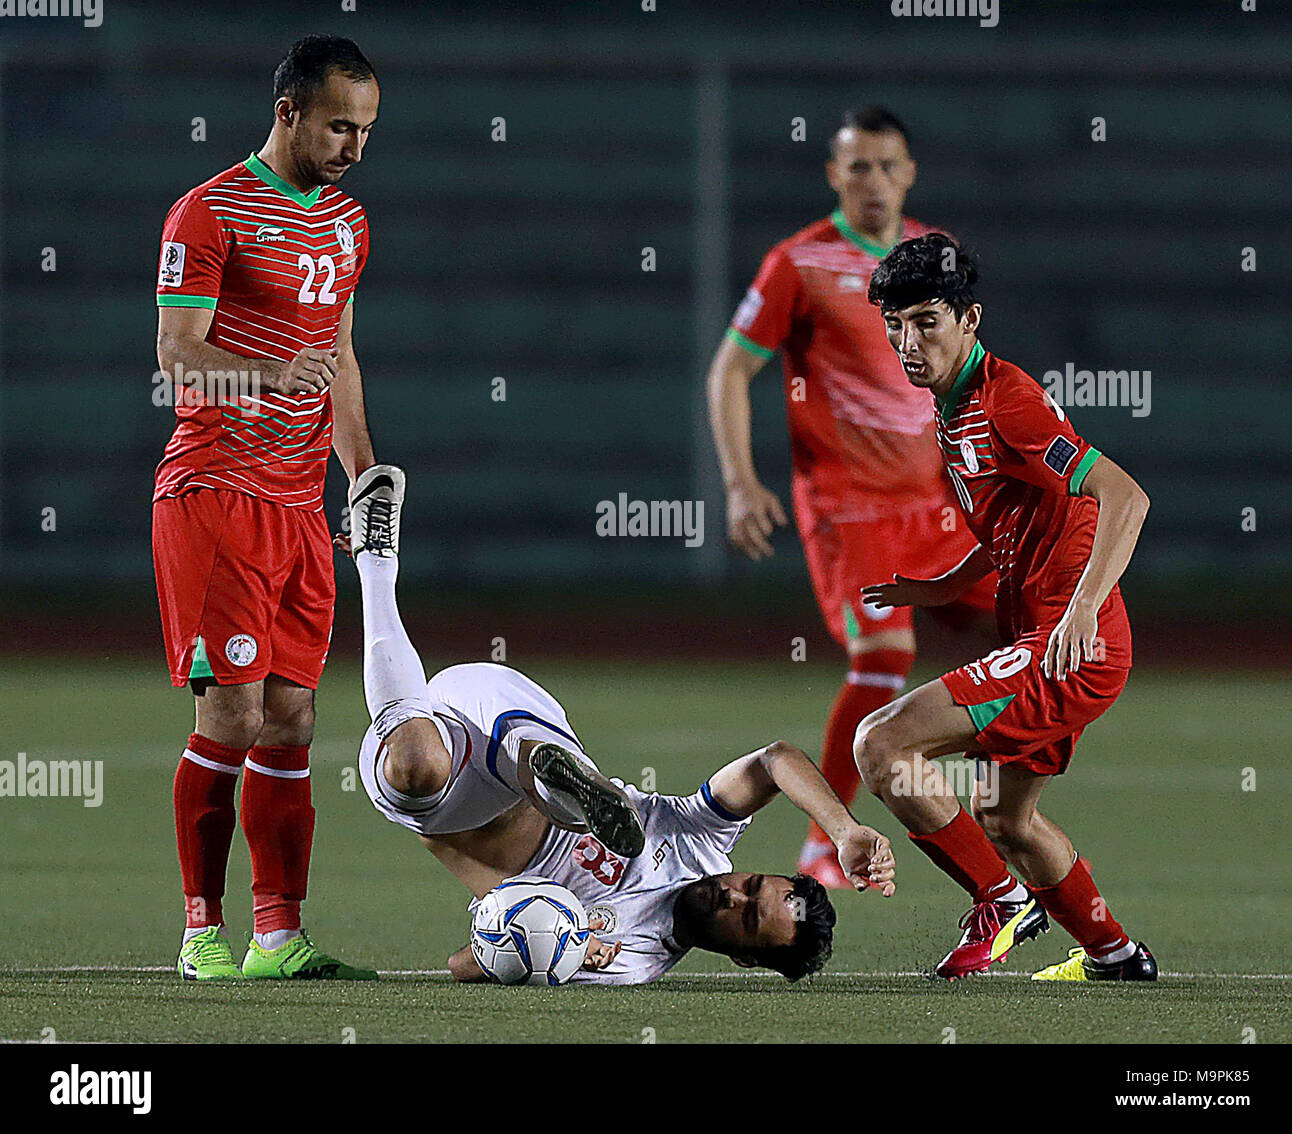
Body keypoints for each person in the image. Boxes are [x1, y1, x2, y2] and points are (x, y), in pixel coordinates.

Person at [347, 467, 898, 985]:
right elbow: (775, 761)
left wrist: (560, 942)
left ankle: (376, 556)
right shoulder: (701, 840)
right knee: (542, 766)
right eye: (751, 885)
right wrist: (844, 830)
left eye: (747, 917)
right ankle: (557, 780)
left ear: (744, 957)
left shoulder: (633, 958)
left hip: (446, 795)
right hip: (503, 713)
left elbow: (463, 964)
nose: (732, 896)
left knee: (414, 766)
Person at [845, 233, 1157, 982]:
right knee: (1006, 819)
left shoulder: (1006, 403)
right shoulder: (954, 408)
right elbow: (1018, 519)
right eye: (894, 324)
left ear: (969, 318)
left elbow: (1125, 495)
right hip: (1047, 633)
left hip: (1069, 643)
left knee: (881, 746)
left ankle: (1002, 902)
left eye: (925, 321)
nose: (907, 342)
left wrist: (1083, 609)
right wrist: (943, 587)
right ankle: (1115, 956)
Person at [706, 107, 995, 889]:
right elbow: (731, 369)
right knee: (884, 655)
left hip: (938, 502)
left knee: (1036, 616)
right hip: (848, 504)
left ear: (910, 172)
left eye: (888, 165)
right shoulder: (798, 263)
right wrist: (740, 482)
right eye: (857, 166)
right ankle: (822, 842)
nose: (875, 181)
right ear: (833, 175)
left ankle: (1004, 805)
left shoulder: (930, 261)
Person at [154, 35, 382, 980]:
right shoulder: (208, 211)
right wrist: (265, 375)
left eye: (366, 128)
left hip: (297, 504)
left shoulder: (349, 222)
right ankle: (200, 931)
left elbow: (341, 354)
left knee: (293, 719)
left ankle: (278, 937)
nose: (354, 146)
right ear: (287, 110)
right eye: (339, 124)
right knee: (234, 719)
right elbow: (177, 358)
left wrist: (362, 468)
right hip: (216, 494)